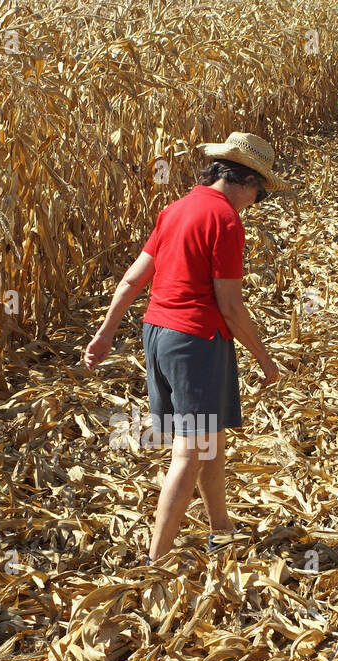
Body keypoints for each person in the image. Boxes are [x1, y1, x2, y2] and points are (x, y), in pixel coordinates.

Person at [83, 132, 288, 564]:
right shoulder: (226, 220)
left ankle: (221, 529)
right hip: (196, 343)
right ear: (246, 180)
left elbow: (132, 280)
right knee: (190, 453)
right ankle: (154, 563)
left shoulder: (175, 210)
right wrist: (265, 360)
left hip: (158, 335)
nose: (257, 202)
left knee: (210, 438)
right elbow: (230, 306)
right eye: (261, 193)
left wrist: (105, 334)